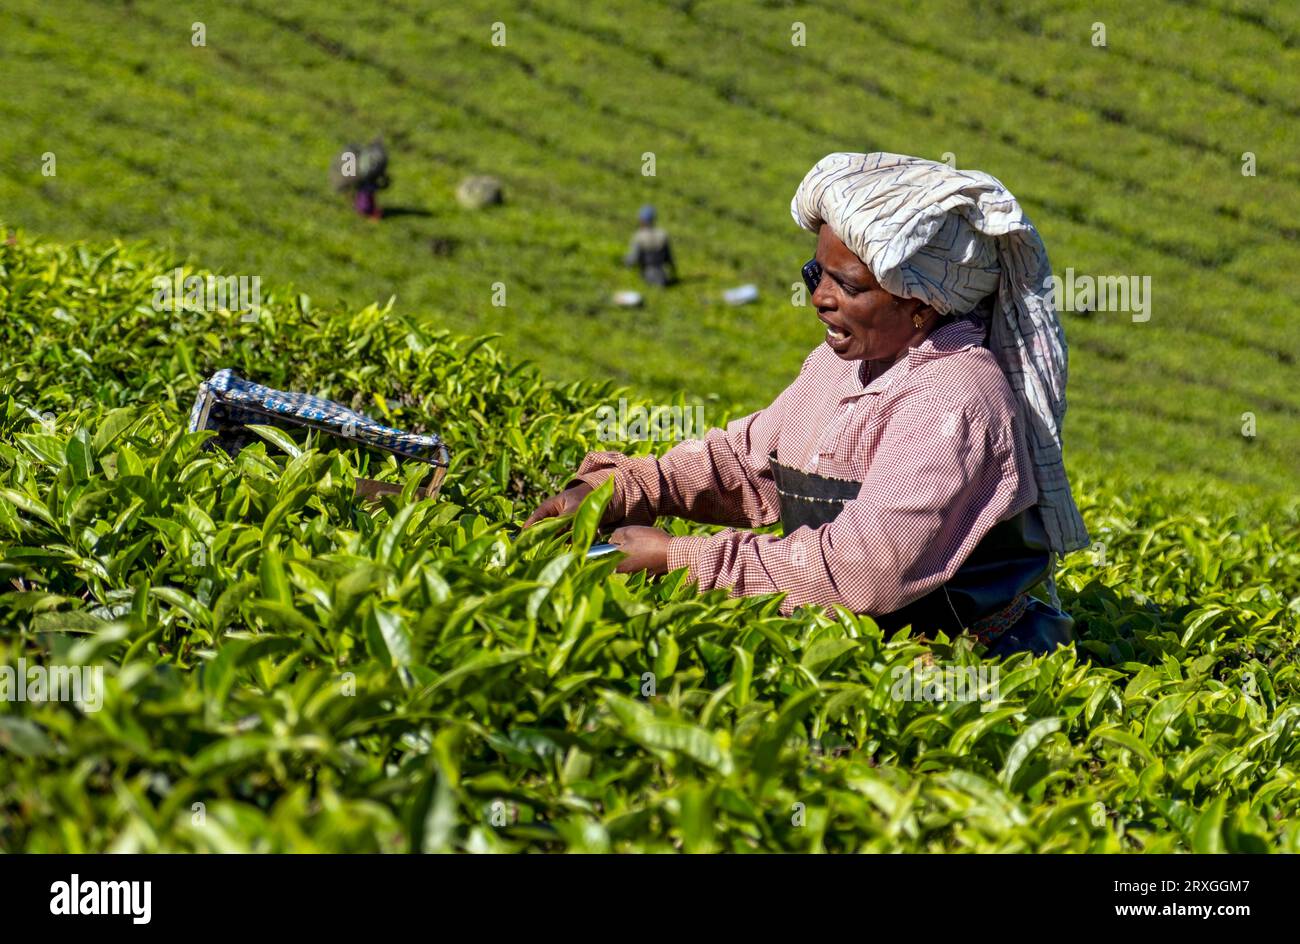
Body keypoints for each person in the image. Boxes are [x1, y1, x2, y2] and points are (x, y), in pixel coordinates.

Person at [525, 152, 1092, 657]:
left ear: (922, 304)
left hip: (958, 660)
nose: (819, 297)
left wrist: (680, 558)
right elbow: (750, 462)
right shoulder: (840, 363)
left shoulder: (956, 399)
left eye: (849, 286)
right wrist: (630, 488)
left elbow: (862, 573)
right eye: (815, 273)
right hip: (847, 640)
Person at [332, 138, 390, 220]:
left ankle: (364, 209)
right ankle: (365, 211)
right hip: (364, 181)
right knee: (365, 197)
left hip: (365, 180)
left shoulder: (371, 159)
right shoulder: (368, 160)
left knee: (366, 195)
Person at [623, 204, 677, 286]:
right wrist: (673, 273)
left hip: (648, 275)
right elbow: (669, 258)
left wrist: (624, 263)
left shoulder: (639, 236)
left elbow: (633, 259)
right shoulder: (663, 234)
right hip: (663, 275)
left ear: (642, 220)